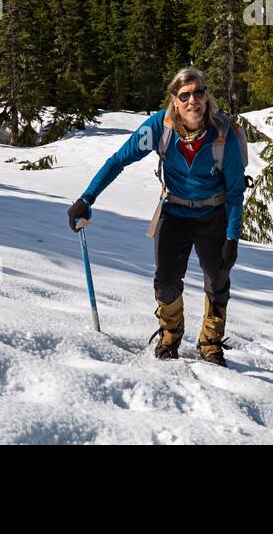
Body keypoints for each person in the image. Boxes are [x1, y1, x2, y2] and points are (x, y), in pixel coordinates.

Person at [67, 67, 245, 367]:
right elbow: (118, 160)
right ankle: (171, 335)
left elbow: (236, 192)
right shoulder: (158, 128)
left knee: (218, 278)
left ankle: (210, 342)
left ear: (206, 96)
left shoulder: (221, 133)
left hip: (213, 213)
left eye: (199, 92)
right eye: (185, 95)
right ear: (174, 100)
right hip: (173, 211)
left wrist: (232, 237)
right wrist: (87, 198)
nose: (193, 101)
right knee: (165, 281)